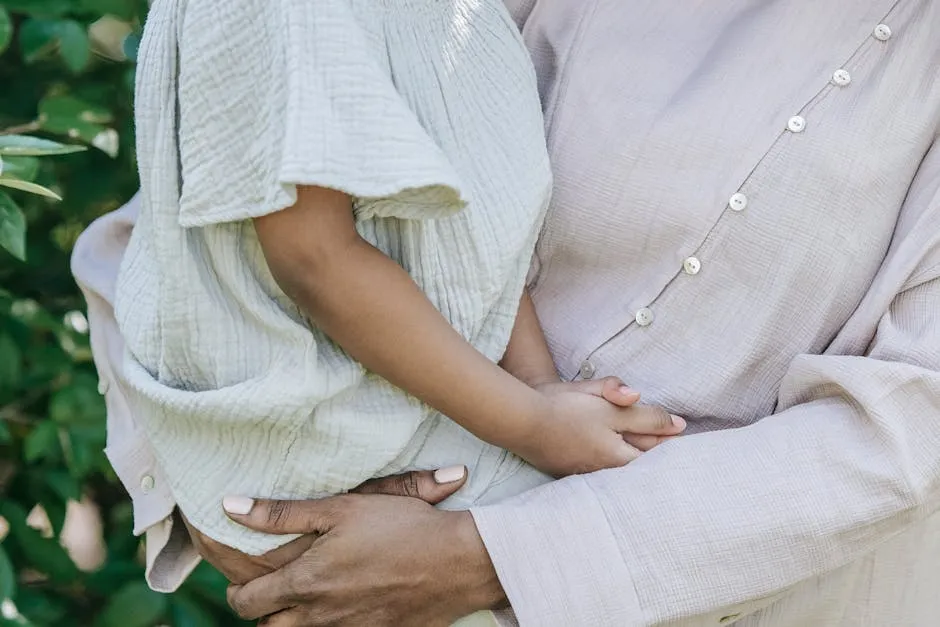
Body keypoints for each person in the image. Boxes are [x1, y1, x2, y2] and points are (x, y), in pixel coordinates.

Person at [73, 0, 940, 625]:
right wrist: (222, 487)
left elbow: (907, 427)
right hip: (357, 537)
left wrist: (492, 555)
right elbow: (222, 214)